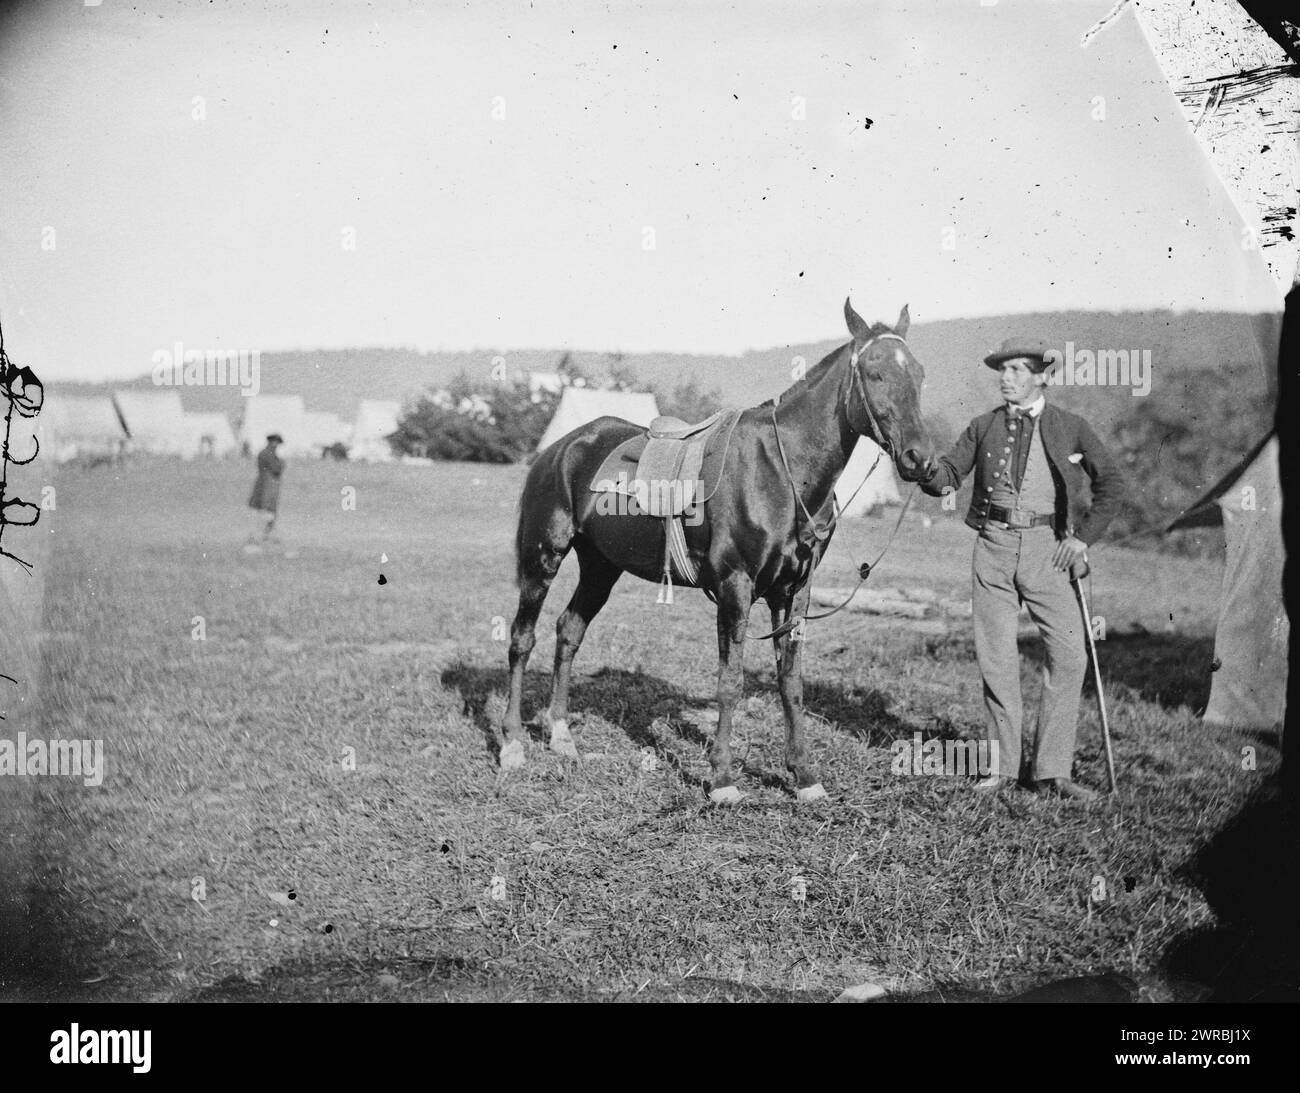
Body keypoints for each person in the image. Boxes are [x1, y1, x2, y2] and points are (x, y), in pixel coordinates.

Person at [918, 338, 1127, 802]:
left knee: (1071, 653)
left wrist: (1081, 539)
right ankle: (1000, 769)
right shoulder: (983, 425)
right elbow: (949, 475)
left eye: (1016, 369)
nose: (1006, 377)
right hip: (991, 546)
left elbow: (1111, 482)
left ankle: (1053, 770)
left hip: (1048, 550)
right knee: (996, 656)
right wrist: (922, 467)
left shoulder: (1071, 427)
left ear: (1042, 376)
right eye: (1003, 369)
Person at [248, 433, 285, 541]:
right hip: (265, 485)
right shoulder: (266, 454)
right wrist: (281, 464)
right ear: (271, 442)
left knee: (268, 511)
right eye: (275, 442)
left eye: (277, 443)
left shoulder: (271, 454)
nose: (276, 445)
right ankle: (257, 535)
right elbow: (276, 468)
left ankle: (266, 535)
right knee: (263, 510)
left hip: (270, 485)